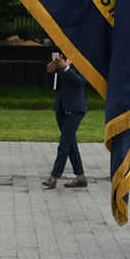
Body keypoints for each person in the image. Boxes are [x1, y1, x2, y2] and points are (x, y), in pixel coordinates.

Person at [43, 50, 89, 189]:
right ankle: (80, 177)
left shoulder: (82, 58)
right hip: (61, 107)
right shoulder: (62, 59)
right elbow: (56, 85)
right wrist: (52, 70)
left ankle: (54, 177)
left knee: (64, 144)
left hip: (75, 108)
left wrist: (66, 68)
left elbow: (81, 82)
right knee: (70, 143)